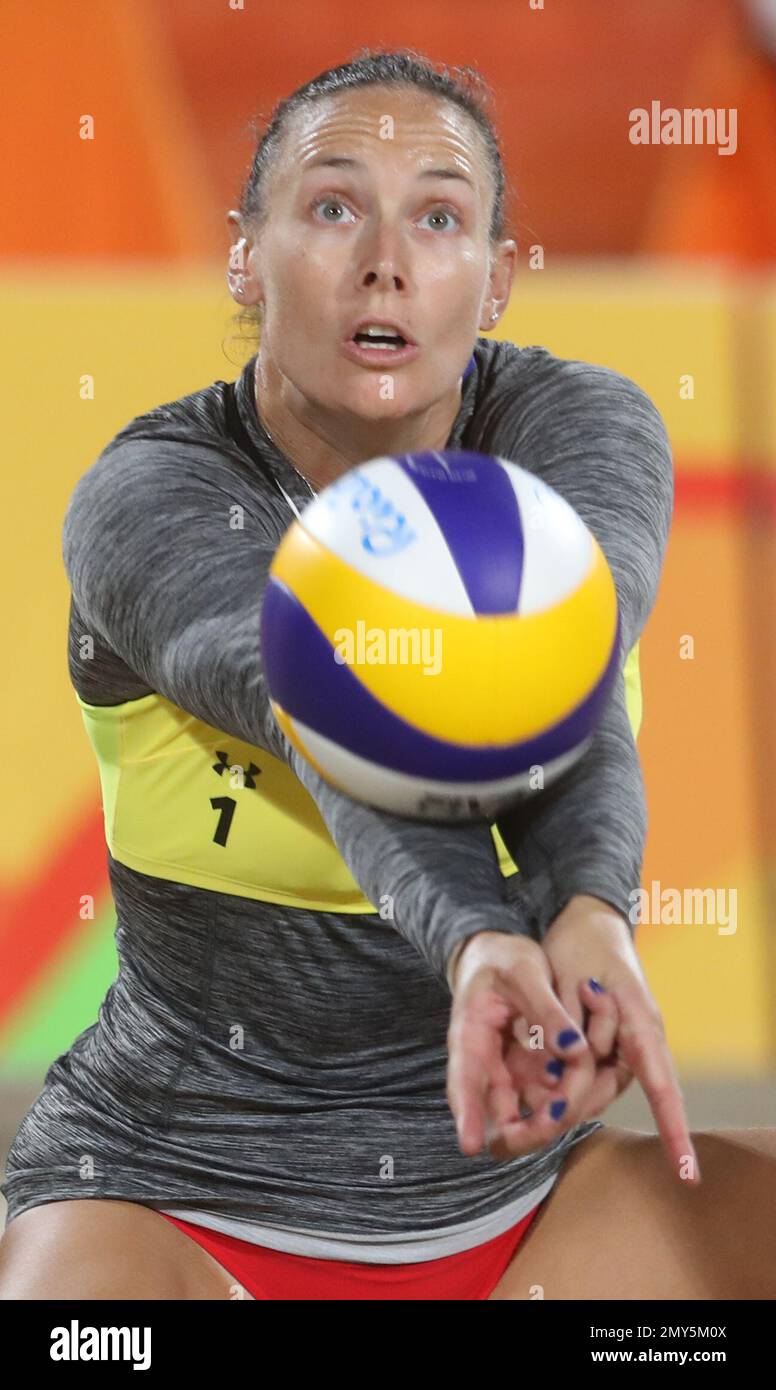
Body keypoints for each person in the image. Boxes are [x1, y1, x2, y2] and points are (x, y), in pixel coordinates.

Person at [1, 48, 774, 1302]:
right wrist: (476, 935)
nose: (385, 259)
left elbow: (551, 670)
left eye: (438, 214)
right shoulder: (152, 494)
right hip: (169, 1198)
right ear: (244, 255)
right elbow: (337, 702)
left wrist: (590, 909)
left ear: (499, 275)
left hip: (525, 1211)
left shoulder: (580, 427)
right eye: (331, 204)